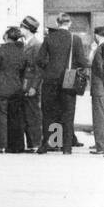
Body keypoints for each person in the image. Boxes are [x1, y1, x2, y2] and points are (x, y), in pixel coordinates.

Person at [34, 12, 89, 154]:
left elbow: (39, 59)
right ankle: (66, 147)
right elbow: (82, 61)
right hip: (69, 79)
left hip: (50, 79)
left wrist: (50, 67)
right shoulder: (75, 39)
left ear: (57, 23)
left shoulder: (49, 38)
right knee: (68, 113)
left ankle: (48, 144)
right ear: (69, 23)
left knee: (49, 113)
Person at [0, 27, 31, 153]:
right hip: (16, 87)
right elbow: (25, 70)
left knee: (0, 116)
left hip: (0, 87)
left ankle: (0, 145)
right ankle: (16, 146)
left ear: (6, 36)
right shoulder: (22, 52)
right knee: (15, 117)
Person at [11, 14, 44, 152]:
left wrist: (34, 87)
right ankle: (31, 144)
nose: (20, 29)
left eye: (22, 27)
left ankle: (35, 143)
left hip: (30, 85)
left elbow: (39, 69)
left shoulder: (37, 45)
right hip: (23, 85)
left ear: (28, 29)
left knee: (33, 115)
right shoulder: (25, 44)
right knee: (25, 115)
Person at [91, 26, 104, 157]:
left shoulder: (100, 48)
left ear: (97, 35)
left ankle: (101, 145)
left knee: (99, 117)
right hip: (101, 88)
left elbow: (100, 67)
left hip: (99, 88)